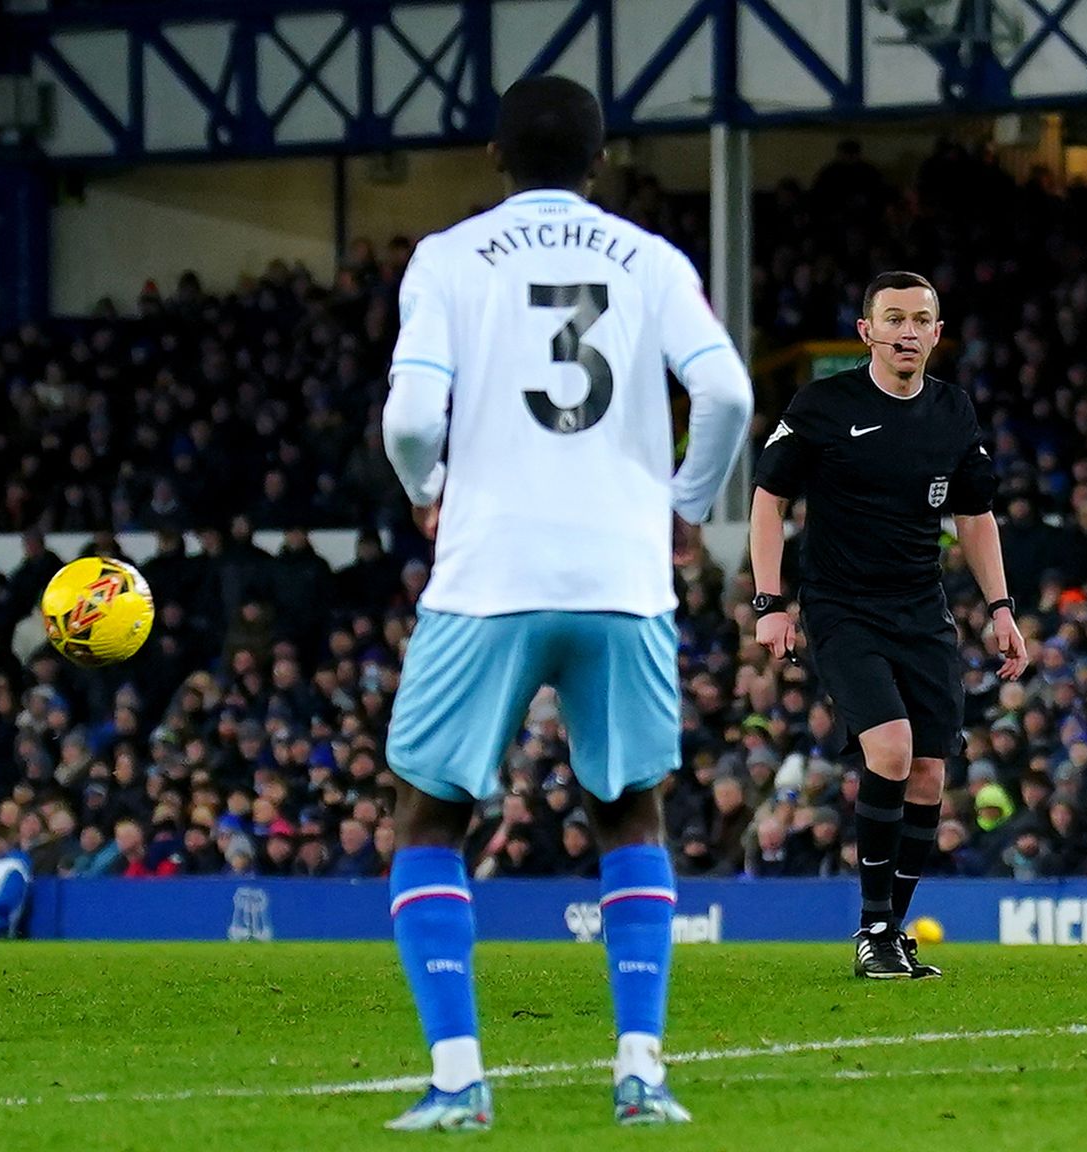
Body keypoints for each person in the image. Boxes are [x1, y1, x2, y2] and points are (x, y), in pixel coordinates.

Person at [378, 75, 752, 1130]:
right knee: (628, 809)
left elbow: (410, 420)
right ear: (600, 160)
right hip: (620, 576)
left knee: (429, 815)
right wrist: (681, 503)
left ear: (494, 156)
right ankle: (640, 1073)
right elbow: (727, 393)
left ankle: (459, 1079)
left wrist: (427, 488)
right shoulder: (652, 260)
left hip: (488, 574)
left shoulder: (448, 257)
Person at [748, 271, 1027, 979]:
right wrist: (770, 603)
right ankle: (873, 928)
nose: (907, 332)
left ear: (937, 333)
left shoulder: (952, 411)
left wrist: (1001, 609)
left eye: (920, 320)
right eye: (893, 318)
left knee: (930, 774)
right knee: (894, 750)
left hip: (921, 609)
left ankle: (891, 930)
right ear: (866, 331)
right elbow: (769, 499)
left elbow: (974, 516)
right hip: (841, 606)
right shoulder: (823, 406)